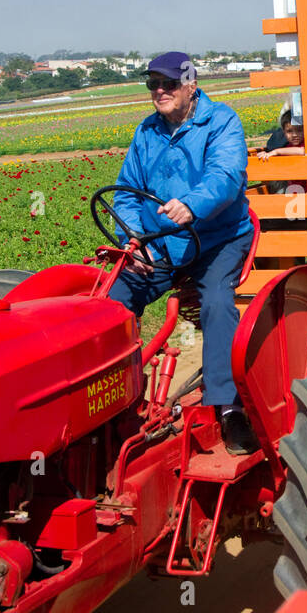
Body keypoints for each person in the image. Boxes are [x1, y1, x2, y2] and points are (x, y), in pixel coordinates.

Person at [109, 52, 258, 454]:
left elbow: (227, 177)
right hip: (162, 243)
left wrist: (192, 204)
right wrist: (134, 239)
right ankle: (117, 402)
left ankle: (229, 407)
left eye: (168, 83)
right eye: (152, 84)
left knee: (215, 304)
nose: (159, 91)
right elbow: (125, 191)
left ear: (190, 85)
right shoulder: (147, 132)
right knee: (112, 300)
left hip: (217, 238)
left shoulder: (221, 121)